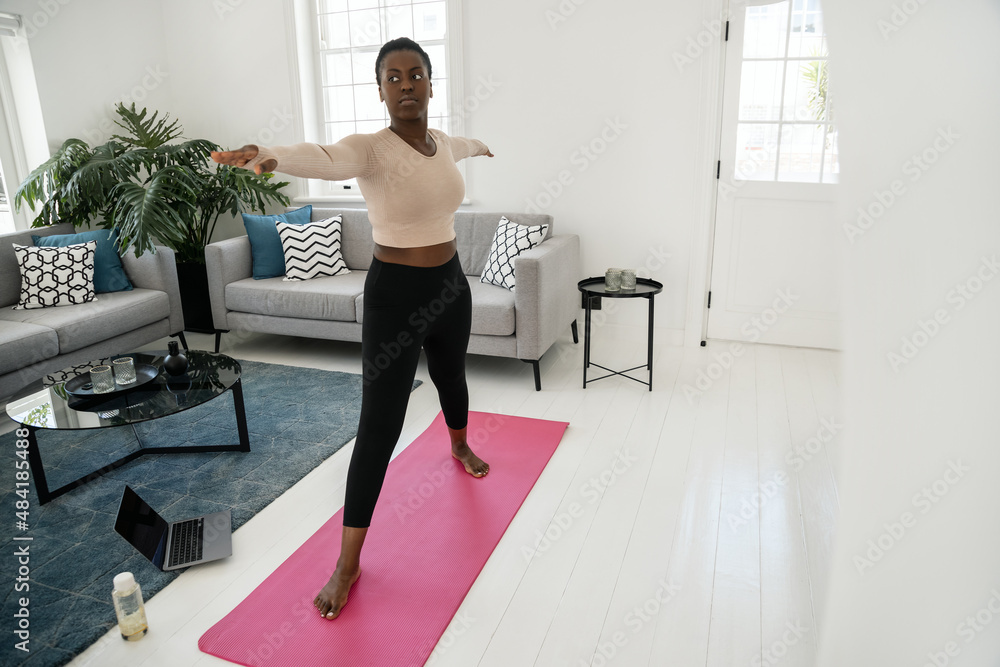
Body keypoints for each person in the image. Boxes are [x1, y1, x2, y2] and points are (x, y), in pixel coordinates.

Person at [211, 37, 494, 620]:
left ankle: (460, 444)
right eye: (394, 77)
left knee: (451, 377)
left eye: (416, 74)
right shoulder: (368, 149)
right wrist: (269, 152)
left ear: (431, 85)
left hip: (451, 286)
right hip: (395, 296)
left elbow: (459, 146)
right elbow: (324, 156)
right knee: (379, 426)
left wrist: (481, 145)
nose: (407, 84)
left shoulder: (443, 143)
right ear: (382, 89)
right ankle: (348, 563)